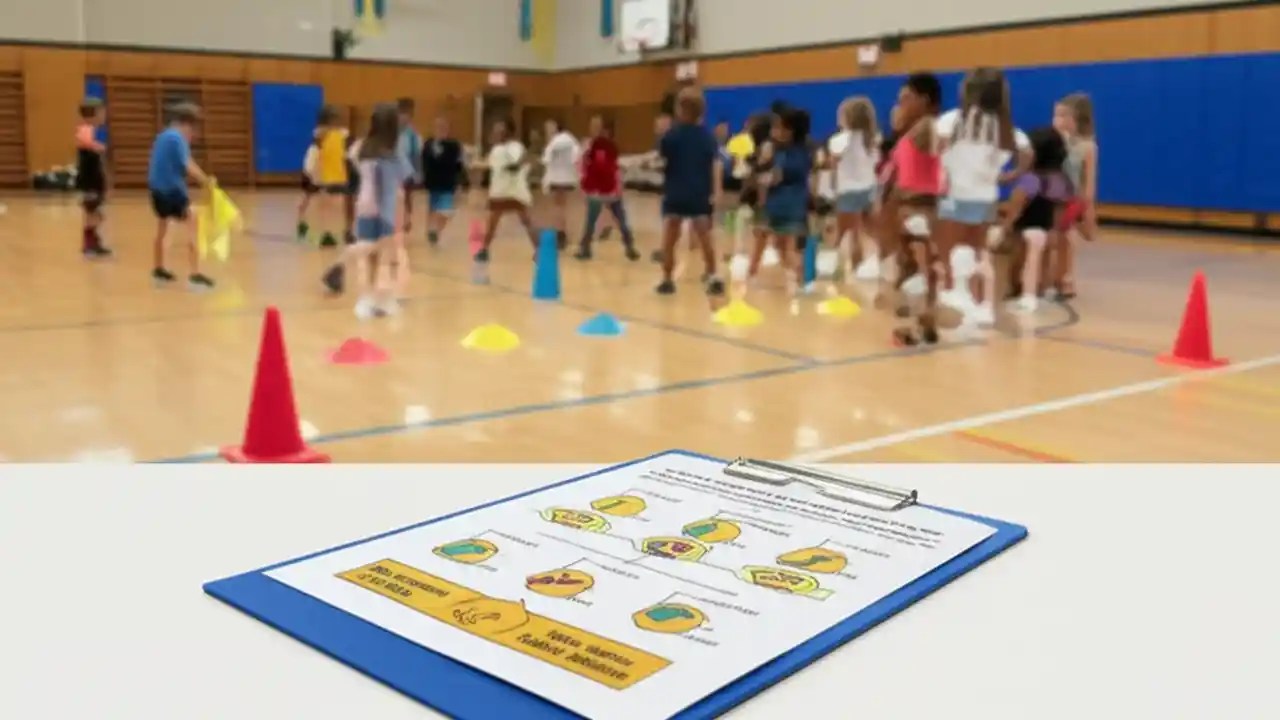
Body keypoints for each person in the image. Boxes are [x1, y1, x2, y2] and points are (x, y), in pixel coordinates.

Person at [934, 67, 1028, 327]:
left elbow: (937, 153)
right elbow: (1025, 155)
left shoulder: (951, 121)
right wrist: (1006, 176)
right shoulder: (1005, 129)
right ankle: (978, 303)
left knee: (950, 254)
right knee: (978, 253)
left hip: (954, 194)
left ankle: (955, 301)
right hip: (985, 198)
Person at [656, 87, 723, 296]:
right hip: (699, 193)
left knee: (670, 238)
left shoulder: (671, 136)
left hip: (676, 192)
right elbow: (715, 164)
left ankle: (667, 279)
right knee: (705, 237)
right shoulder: (707, 137)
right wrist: (716, 190)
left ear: (679, 110)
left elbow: (662, 162)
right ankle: (712, 276)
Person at [147, 102, 212, 289]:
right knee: (193, 223)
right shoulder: (177, 139)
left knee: (163, 227)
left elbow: (186, 160)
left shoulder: (163, 136)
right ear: (187, 124)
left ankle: (159, 269)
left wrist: (203, 176)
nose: (195, 135)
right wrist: (205, 181)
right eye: (194, 129)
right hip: (173, 191)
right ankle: (195, 274)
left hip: (157, 191)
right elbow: (187, 165)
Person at [748, 108, 812, 294]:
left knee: (768, 239)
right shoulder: (798, 152)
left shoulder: (787, 155)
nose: (773, 131)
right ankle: (798, 278)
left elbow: (774, 178)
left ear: (789, 131)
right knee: (782, 244)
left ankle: (752, 272)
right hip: (792, 205)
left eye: (778, 128)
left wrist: (760, 171)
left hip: (782, 205)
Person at [828, 97, 881, 282]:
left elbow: (834, 169)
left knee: (841, 233)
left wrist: (832, 190)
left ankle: (832, 266)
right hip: (869, 189)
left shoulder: (838, 140)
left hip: (847, 190)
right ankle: (863, 265)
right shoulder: (873, 139)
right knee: (862, 231)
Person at [1052, 93, 1098, 299]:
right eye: (1055, 115)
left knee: (1068, 237)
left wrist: (1086, 206)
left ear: (1077, 119)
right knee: (1058, 239)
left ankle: (1067, 277)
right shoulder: (1055, 142)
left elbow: (1088, 182)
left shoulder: (1087, 147)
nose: (1057, 121)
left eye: (1063, 116)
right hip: (1055, 197)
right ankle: (1057, 276)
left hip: (1074, 199)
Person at [575, 115, 639, 260]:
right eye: (592, 125)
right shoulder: (588, 145)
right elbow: (583, 167)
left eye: (597, 126)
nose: (594, 129)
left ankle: (630, 247)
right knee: (591, 221)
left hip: (609, 189)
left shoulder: (608, 146)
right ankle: (585, 249)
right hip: (596, 190)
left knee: (620, 220)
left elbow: (611, 167)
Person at [476, 118, 536, 262]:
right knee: (493, 222)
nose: (495, 133)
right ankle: (484, 249)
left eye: (499, 130)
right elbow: (490, 164)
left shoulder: (511, 147)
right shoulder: (500, 149)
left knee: (526, 221)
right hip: (503, 191)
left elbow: (516, 165)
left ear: (507, 132)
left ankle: (538, 249)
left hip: (512, 191)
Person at [420, 115, 466, 246]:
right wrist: (424, 177)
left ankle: (436, 231)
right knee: (433, 208)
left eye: (443, 127)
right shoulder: (428, 144)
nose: (440, 130)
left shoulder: (454, 145)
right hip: (433, 181)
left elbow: (458, 164)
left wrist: (460, 182)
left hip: (448, 181)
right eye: (438, 127)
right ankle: (430, 231)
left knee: (446, 210)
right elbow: (424, 161)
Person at [75, 98, 111, 258]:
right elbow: (83, 141)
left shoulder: (90, 130)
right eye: (102, 113)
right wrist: (96, 146)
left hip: (94, 180)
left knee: (96, 213)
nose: (104, 116)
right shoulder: (86, 128)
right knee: (93, 212)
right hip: (90, 181)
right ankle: (90, 244)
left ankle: (93, 241)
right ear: (92, 115)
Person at [313, 106, 350, 248]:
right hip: (328, 176)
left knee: (337, 207)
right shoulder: (321, 136)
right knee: (328, 207)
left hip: (338, 175)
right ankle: (327, 234)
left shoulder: (340, 135)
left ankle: (343, 232)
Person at [541, 118, 578, 249]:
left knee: (557, 207)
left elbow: (546, 160)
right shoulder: (570, 139)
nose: (547, 132)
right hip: (568, 178)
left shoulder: (553, 143)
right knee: (562, 206)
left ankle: (560, 234)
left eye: (549, 129)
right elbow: (576, 157)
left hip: (556, 179)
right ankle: (561, 232)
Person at [396, 98, 423, 233]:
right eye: (401, 114)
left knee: (407, 195)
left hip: (407, 170)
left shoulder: (413, 135)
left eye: (407, 115)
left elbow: (416, 155)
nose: (403, 118)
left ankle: (407, 219)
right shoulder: (391, 133)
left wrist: (418, 172)